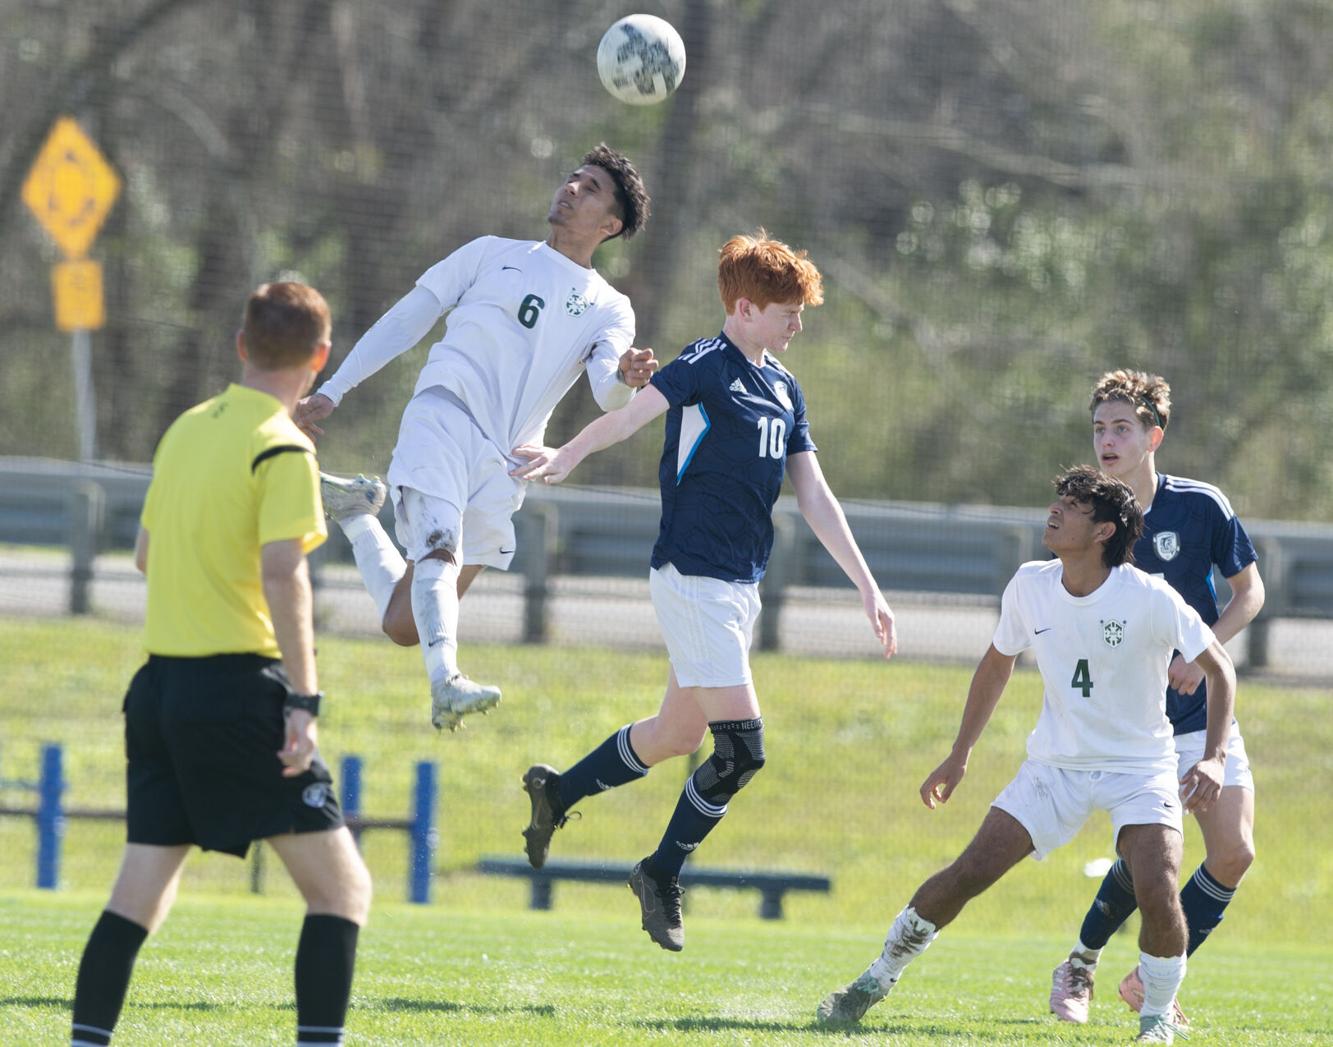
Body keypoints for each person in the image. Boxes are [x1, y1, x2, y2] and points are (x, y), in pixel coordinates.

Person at [511, 231, 898, 952]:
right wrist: (563, 456)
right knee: (741, 751)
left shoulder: (784, 385)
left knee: (674, 735)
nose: (797, 323)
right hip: (691, 577)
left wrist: (867, 588)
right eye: (787, 310)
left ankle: (556, 792)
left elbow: (813, 493)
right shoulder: (703, 364)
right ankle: (659, 871)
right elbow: (628, 419)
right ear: (745, 307)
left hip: (736, 587)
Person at [815, 466, 1235, 1045]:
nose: (1055, 510)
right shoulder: (1029, 584)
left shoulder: (1150, 596)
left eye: (1074, 506)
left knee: (1158, 884)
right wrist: (958, 755)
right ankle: (870, 982)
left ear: (1104, 532)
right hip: (1054, 768)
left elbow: (1220, 669)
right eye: (1058, 499)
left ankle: (1156, 1019)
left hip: (1139, 769)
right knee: (969, 873)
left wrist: (1214, 757)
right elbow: (996, 663)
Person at [70, 283, 372, 1047]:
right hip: (239, 689)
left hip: (159, 689)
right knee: (342, 890)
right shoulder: (282, 444)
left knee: (139, 894)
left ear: (241, 344)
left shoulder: (183, 430)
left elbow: (145, 555)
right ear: (319, 358)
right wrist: (303, 698)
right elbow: (284, 571)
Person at [296, 144, 657, 733]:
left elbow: (607, 391)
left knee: (404, 625)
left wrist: (625, 378)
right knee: (439, 548)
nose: (571, 188)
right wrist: (333, 390)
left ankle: (357, 513)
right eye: (573, 178)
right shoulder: (492, 254)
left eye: (590, 188)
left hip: (505, 461)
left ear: (610, 225)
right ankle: (447, 683)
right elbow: (406, 319)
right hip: (442, 414)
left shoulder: (610, 308)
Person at [1048, 370, 1264, 1026]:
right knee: (1146, 861)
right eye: (1098, 428)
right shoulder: (1092, 518)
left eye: (1120, 428)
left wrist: (1203, 655)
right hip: (1132, 724)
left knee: (1233, 852)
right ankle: (1080, 964)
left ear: (1152, 435)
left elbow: (1248, 591)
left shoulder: (1199, 506)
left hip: (1201, 714)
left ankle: (1148, 981)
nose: (1106, 440)